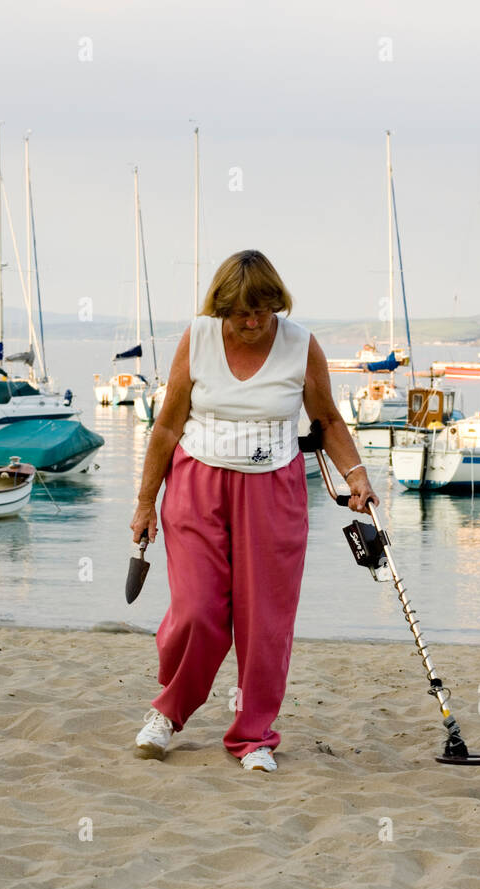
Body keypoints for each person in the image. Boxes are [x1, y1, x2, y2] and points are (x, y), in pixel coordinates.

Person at [129, 250, 378, 772]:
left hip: (273, 491)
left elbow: (328, 419)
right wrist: (145, 501)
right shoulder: (197, 338)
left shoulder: (299, 344)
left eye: (263, 311)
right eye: (241, 312)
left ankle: (253, 734)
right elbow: (168, 427)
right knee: (198, 611)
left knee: (265, 621)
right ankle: (169, 713)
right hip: (198, 483)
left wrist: (357, 476)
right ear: (222, 307)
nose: (252, 322)